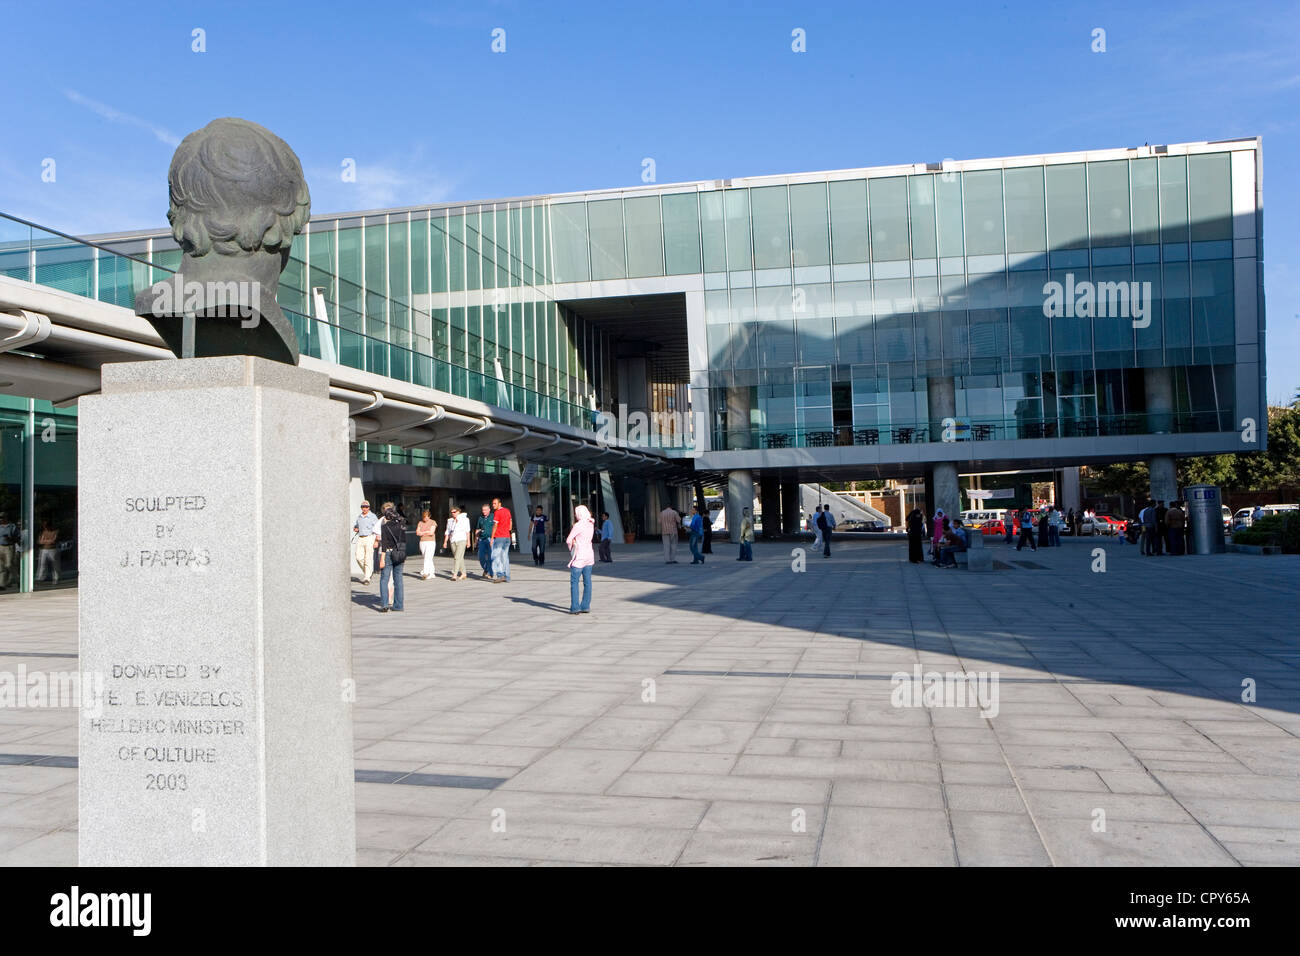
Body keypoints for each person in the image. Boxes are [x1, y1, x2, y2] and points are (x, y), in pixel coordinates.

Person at [376, 502, 406, 612]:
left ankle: (384, 604)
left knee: (384, 579)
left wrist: (382, 559)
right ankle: (399, 605)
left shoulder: (385, 527)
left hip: (388, 553)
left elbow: (384, 544)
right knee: (398, 580)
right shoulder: (401, 526)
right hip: (400, 553)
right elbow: (403, 541)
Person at [566, 504, 595, 614]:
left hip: (579, 557)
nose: (575, 515)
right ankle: (585, 606)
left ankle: (575, 607)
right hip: (589, 556)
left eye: (576, 513)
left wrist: (572, 548)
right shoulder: (590, 524)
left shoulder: (578, 525)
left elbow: (568, 540)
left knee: (574, 582)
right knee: (587, 582)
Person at [352, 499, 380, 584]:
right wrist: (355, 528)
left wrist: (376, 541)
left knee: (368, 558)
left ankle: (367, 578)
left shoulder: (373, 516)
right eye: (363, 507)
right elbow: (356, 526)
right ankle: (368, 572)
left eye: (366, 507)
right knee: (358, 557)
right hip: (361, 537)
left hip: (369, 537)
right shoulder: (359, 517)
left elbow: (377, 529)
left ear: (369, 507)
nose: (364, 508)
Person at [443, 505, 470, 580]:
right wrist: (445, 542)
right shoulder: (450, 521)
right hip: (453, 540)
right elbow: (447, 532)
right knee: (459, 557)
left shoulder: (465, 519)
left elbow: (467, 531)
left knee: (457, 557)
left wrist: (468, 541)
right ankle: (463, 573)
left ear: (458, 512)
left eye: (454, 512)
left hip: (462, 539)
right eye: (452, 512)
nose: (453, 514)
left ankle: (455, 574)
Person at [490, 497, 513, 583]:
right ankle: (507, 576)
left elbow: (495, 526)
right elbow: (510, 522)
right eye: (493, 503)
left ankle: (500, 575)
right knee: (505, 557)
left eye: (495, 503)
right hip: (507, 537)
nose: (493, 505)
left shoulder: (497, 512)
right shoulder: (507, 511)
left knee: (495, 556)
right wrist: (508, 531)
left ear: (499, 504)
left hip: (499, 537)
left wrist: (492, 538)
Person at [415, 509, 438, 580]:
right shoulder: (420, 523)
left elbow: (431, 533)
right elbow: (417, 533)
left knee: (427, 557)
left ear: (429, 516)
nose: (424, 518)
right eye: (423, 517)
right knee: (427, 557)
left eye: (426, 517)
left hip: (430, 542)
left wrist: (422, 532)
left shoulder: (433, 522)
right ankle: (432, 573)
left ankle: (425, 573)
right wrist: (426, 532)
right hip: (422, 541)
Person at [475, 504, 494, 577]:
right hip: (482, 540)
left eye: (485, 510)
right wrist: (476, 541)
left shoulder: (493, 516)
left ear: (489, 510)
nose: (484, 511)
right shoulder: (480, 518)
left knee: (490, 557)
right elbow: (477, 529)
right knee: (481, 557)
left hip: (490, 539)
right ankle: (486, 569)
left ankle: (490, 573)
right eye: (483, 510)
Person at [0, 513, 16, 589]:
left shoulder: (12, 527)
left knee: (9, 565)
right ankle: (2, 584)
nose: (1, 519)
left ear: (6, 518)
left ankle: (17, 578)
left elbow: (17, 538)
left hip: (9, 547)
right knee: (1, 567)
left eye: (2, 517)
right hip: (0, 547)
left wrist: (10, 538)